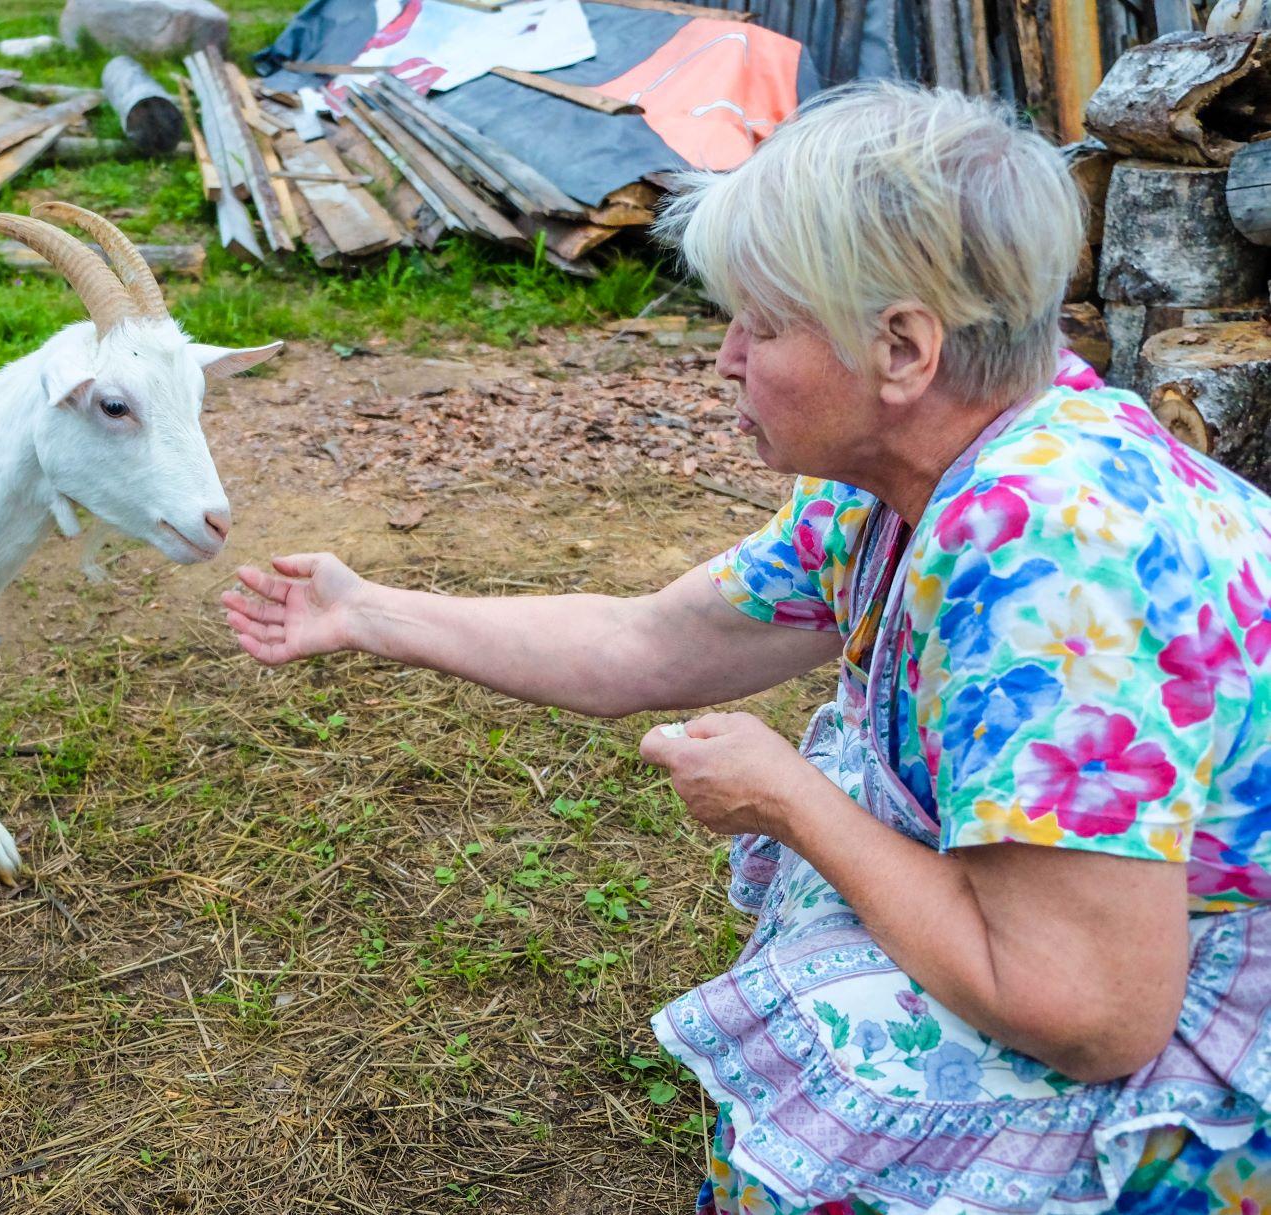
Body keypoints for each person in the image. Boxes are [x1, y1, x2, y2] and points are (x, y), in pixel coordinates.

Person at [222, 83, 1271, 1214]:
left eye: (761, 325)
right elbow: (646, 645)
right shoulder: (922, 470)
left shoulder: (1051, 556)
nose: (723, 359)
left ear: (904, 347)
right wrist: (365, 610)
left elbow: (1091, 1014)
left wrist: (793, 802)